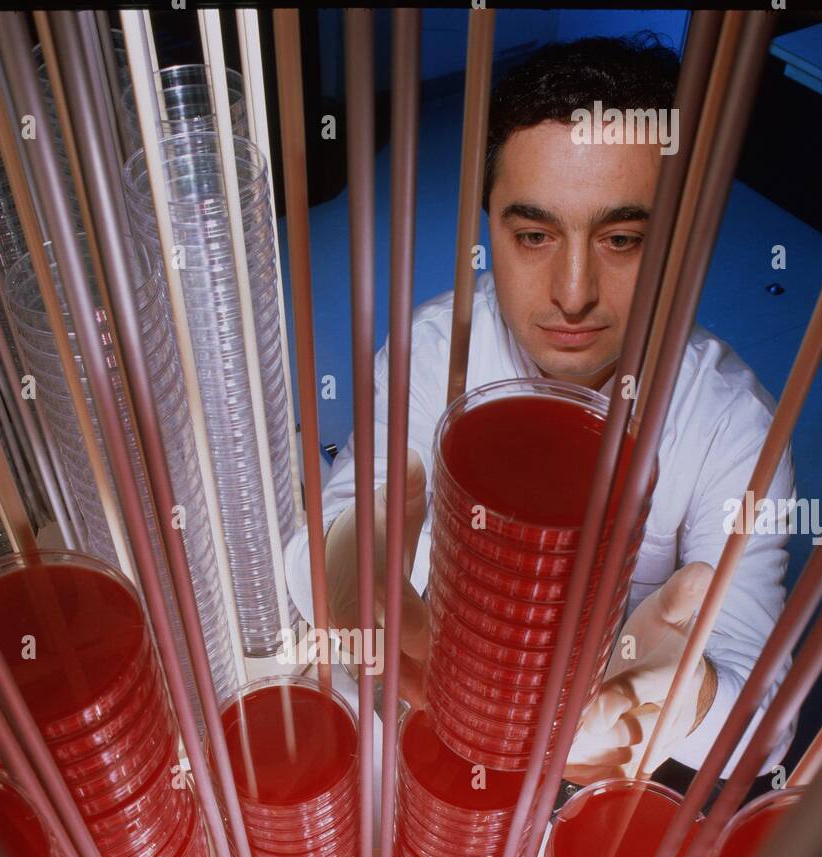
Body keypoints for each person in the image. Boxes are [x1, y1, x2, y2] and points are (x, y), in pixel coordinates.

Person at [282, 35, 796, 784]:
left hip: (576, 760)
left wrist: (684, 696)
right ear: (489, 227)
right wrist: (346, 563)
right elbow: (339, 524)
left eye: (621, 239)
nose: (573, 291)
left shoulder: (733, 422)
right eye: (533, 236)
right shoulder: (437, 347)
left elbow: (762, 732)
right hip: (418, 720)